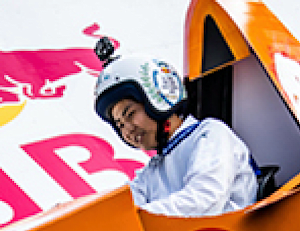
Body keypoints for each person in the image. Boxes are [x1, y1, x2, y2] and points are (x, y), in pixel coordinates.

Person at [92, 38, 257, 217]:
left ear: (158, 96)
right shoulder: (151, 173)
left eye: (130, 114)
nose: (127, 130)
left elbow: (205, 200)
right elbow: (120, 210)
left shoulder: (210, 134)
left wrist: (138, 219)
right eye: (120, 125)